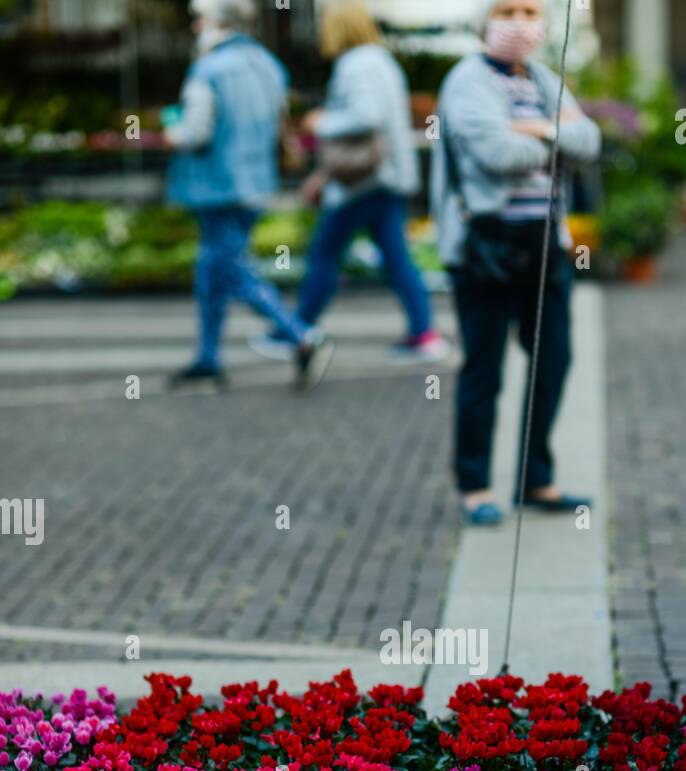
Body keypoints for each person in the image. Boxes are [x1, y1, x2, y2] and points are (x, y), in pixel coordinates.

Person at [431, 0, 602, 525]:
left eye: (530, 11)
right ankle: (476, 485)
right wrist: (555, 133)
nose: (520, 21)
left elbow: (589, 142)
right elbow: (495, 155)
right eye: (507, 9)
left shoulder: (545, 78)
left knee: (554, 360)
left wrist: (532, 130)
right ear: (486, 20)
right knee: (485, 370)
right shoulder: (466, 82)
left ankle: (536, 479)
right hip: (487, 248)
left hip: (547, 245)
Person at [251, 0, 448, 368]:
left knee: (325, 251)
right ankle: (424, 332)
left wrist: (320, 122)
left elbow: (366, 118)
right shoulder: (380, 60)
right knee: (394, 257)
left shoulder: (357, 65)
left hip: (365, 180)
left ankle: (297, 329)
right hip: (382, 177)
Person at [164, 0, 328, 388]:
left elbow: (195, 131)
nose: (195, 28)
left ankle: (301, 336)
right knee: (212, 271)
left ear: (218, 22)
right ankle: (208, 357)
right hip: (255, 181)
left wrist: (171, 134)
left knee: (230, 268)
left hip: (216, 185)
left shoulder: (207, 70)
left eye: (199, 19)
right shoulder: (268, 65)